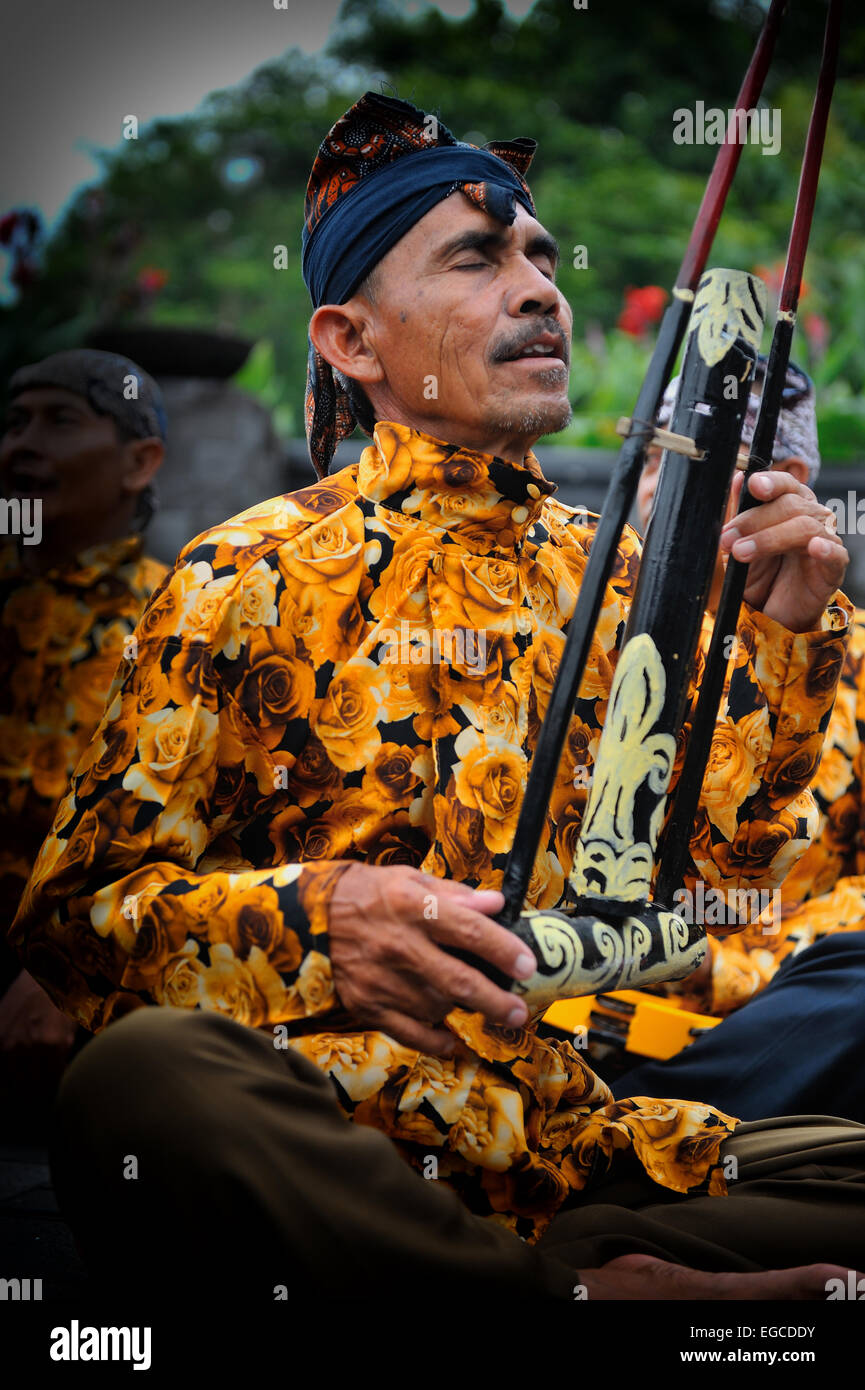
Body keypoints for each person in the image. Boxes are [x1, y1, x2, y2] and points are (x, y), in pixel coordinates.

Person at [7, 93, 863, 1303]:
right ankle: (571, 1295)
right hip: (326, 1148)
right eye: (476, 257)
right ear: (352, 342)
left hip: (575, 1148)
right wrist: (323, 920)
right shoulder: (243, 572)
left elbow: (717, 882)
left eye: (539, 258)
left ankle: (543, 1284)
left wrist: (782, 639)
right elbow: (73, 921)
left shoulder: (631, 573)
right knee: (139, 1082)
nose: (540, 290)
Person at [610, 361, 865, 1121]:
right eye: (649, 457)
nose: (654, 484)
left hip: (784, 1028)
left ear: (779, 482)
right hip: (577, 1024)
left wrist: (740, 969)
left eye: (685, 458)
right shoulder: (577, 625)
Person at [0, 349, 167, 1128]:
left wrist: (68, 970)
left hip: (80, 971)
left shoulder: (173, 613)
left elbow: (168, 838)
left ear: (140, 463)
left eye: (60, 421)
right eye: (15, 422)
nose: (20, 445)